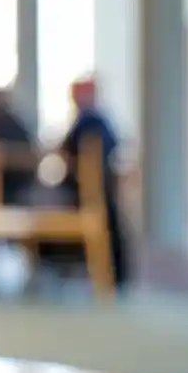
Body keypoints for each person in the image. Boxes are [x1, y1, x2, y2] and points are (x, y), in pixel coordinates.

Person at [59, 78, 129, 289]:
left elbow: (70, 152)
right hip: (95, 190)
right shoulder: (95, 120)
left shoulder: (91, 121)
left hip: (88, 191)